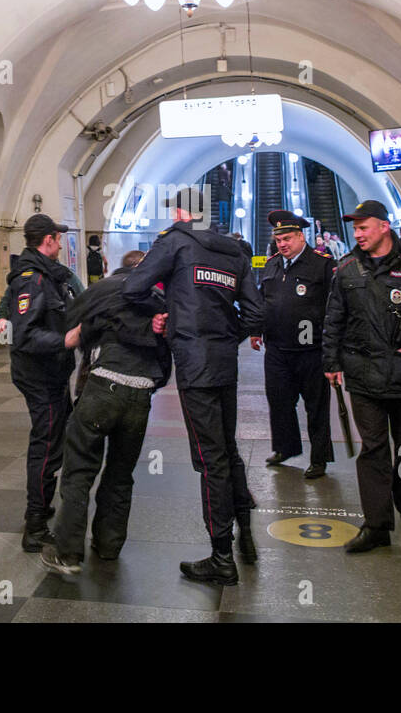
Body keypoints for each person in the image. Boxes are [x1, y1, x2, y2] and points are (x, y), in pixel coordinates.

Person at [123, 187, 265, 585]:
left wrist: (167, 314)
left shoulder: (175, 243)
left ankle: (222, 556)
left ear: (183, 213)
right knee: (228, 450)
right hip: (224, 362)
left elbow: (133, 288)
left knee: (210, 459)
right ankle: (246, 536)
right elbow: (256, 313)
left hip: (193, 363)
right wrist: (226, 335)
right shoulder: (234, 250)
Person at [322, 200, 401, 553]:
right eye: (355, 228)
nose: (358, 234)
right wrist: (331, 361)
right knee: (373, 449)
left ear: (384, 226)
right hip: (363, 375)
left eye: (364, 227)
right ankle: (376, 525)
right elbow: (334, 319)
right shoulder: (346, 269)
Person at [40, 250, 173, 577]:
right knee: (121, 473)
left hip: (102, 388)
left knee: (79, 470)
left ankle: (68, 553)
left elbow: (72, 333)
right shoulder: (159, 301)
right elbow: (165, 361)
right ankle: (109, 545)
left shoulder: (101, 292)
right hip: (140, 393)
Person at [7, 213, 83, 552]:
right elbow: (25, 335)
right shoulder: (32, 279)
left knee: (56, 440)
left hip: (52, 372)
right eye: (58, 238)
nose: (61, 244)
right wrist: (65, 340)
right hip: (40, 376)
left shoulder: (48, 274)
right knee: (46, 446)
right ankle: (35, 525)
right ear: (48, 240)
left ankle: (41, 503)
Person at [251, 210, 337, 478]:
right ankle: (285, 448)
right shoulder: (272, 264)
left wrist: (333, 347)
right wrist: (255, 330)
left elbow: (335, 307)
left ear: (301, 237)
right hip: (277, 347)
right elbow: (263, 298)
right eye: (278, 240)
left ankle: (319, 458)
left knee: (316, 407)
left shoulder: (322, 264)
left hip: (310, 349)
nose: (282, 244)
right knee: (279, 401)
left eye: (287, 239)